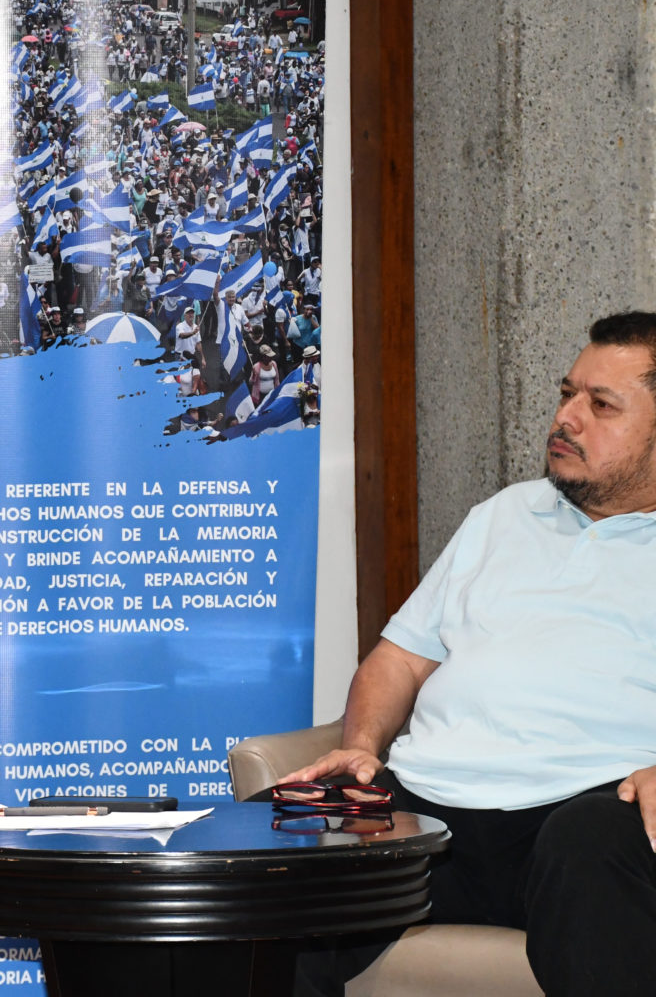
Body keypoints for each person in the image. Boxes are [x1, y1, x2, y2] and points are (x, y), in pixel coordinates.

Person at [281, 311, 656, 997]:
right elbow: (399, 660)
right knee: (284, 840)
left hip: (586, 810)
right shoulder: (505, 516)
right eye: (567, 392)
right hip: (434, 810)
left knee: (590, 842)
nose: (567, 417)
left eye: (600, 405)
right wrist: (363, 746)